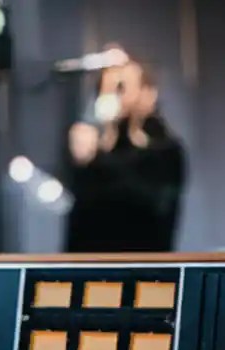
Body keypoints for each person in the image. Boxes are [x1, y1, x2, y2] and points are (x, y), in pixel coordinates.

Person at [63, 52, 187, 253]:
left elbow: (150, 204)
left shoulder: (165, 150)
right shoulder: (92, 149)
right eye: (105, 89)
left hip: (144, 265)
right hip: (91, 265)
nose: (112, 96)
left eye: (120, 87)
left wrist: (97, 158)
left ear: (148, 94)